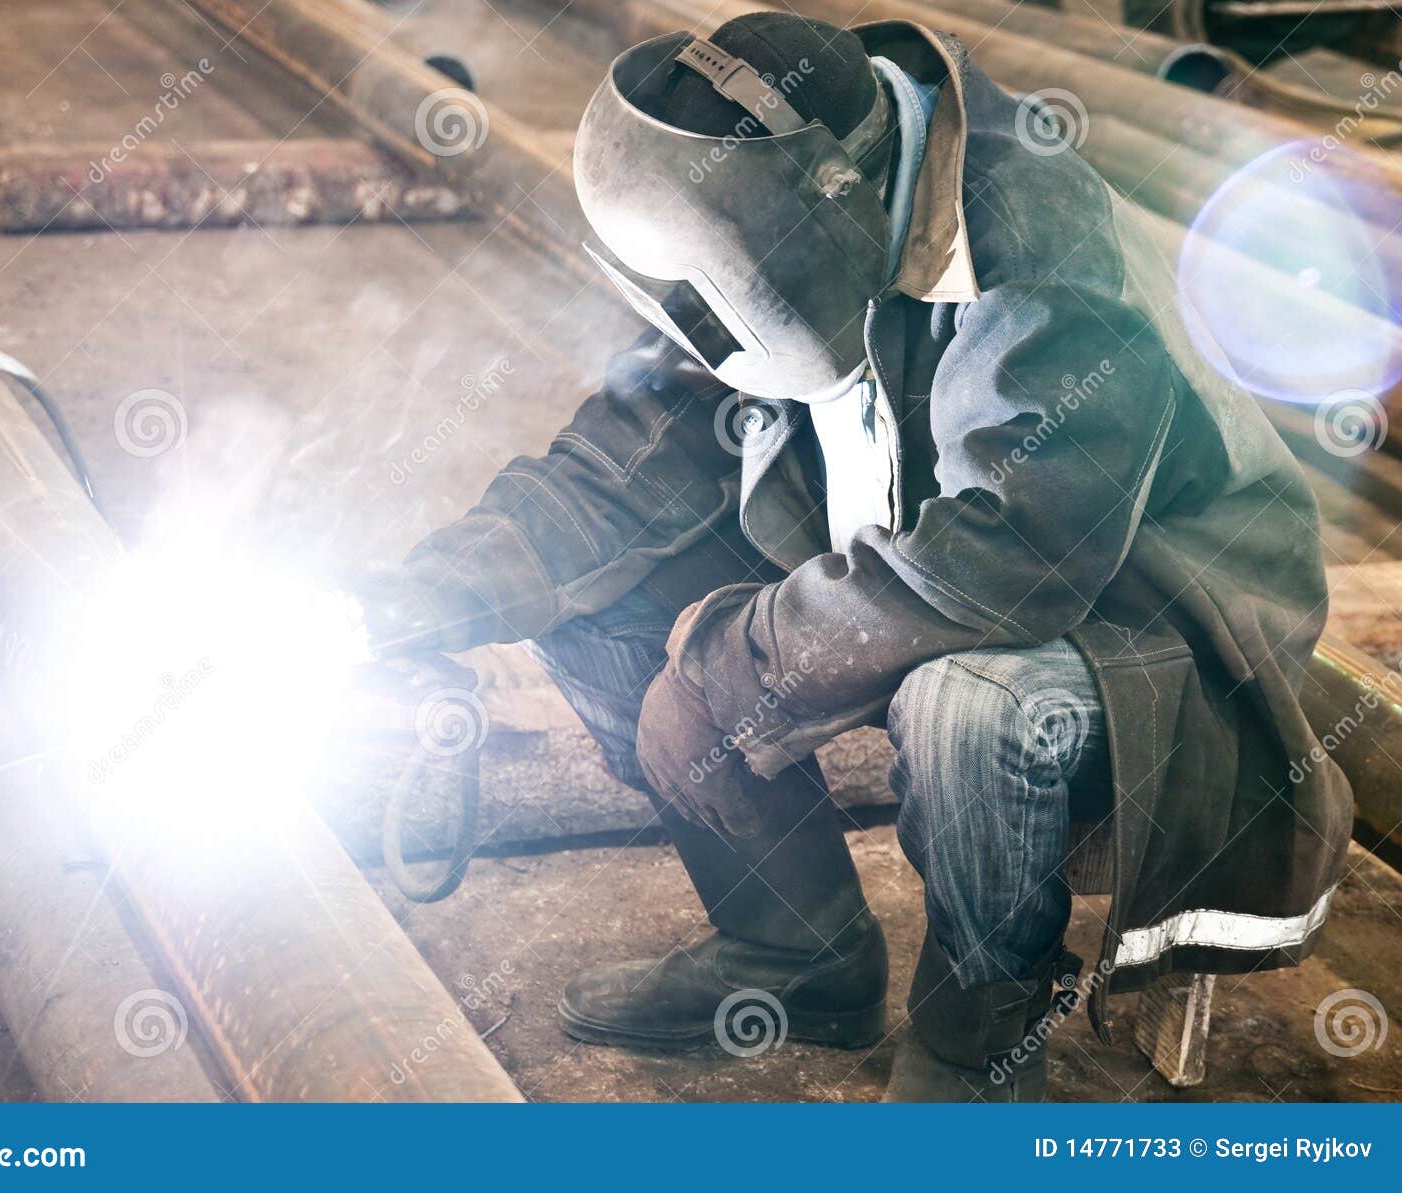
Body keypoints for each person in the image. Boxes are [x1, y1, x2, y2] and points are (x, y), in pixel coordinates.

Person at [361, 14, 1351, 1101]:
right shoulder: (771, 223)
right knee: (598, 593)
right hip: (925, 562)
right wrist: (405, 602)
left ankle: (978, 1038)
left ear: (817, 219)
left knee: (966, 701)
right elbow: (617, 465)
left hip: (1147, 622)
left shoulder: (1043, 254)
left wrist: (744, 656)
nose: (704, 326)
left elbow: (1011, 555)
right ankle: (795, 950)